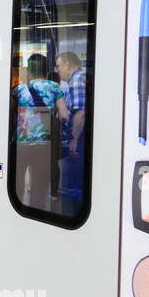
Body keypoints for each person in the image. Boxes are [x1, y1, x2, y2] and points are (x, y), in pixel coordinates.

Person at [14, 53, 69, 208]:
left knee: (18, 182)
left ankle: (16, 209)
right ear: (46, 70)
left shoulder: (19, 89)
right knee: (39, 185)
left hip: (22, 143)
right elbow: (64, 115)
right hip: (44, 144)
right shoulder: (54, 87)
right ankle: (35, 213)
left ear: (29, 71)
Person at [56, 51, 88, 217]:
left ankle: (71, 216)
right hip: (81, 139)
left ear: (67, 64)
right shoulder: (82, 77)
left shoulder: (76, 80)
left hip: (78, 140)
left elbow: (80, 113)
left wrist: (74, 141)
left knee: (72, 187)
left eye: (59, 66)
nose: (57, 71)